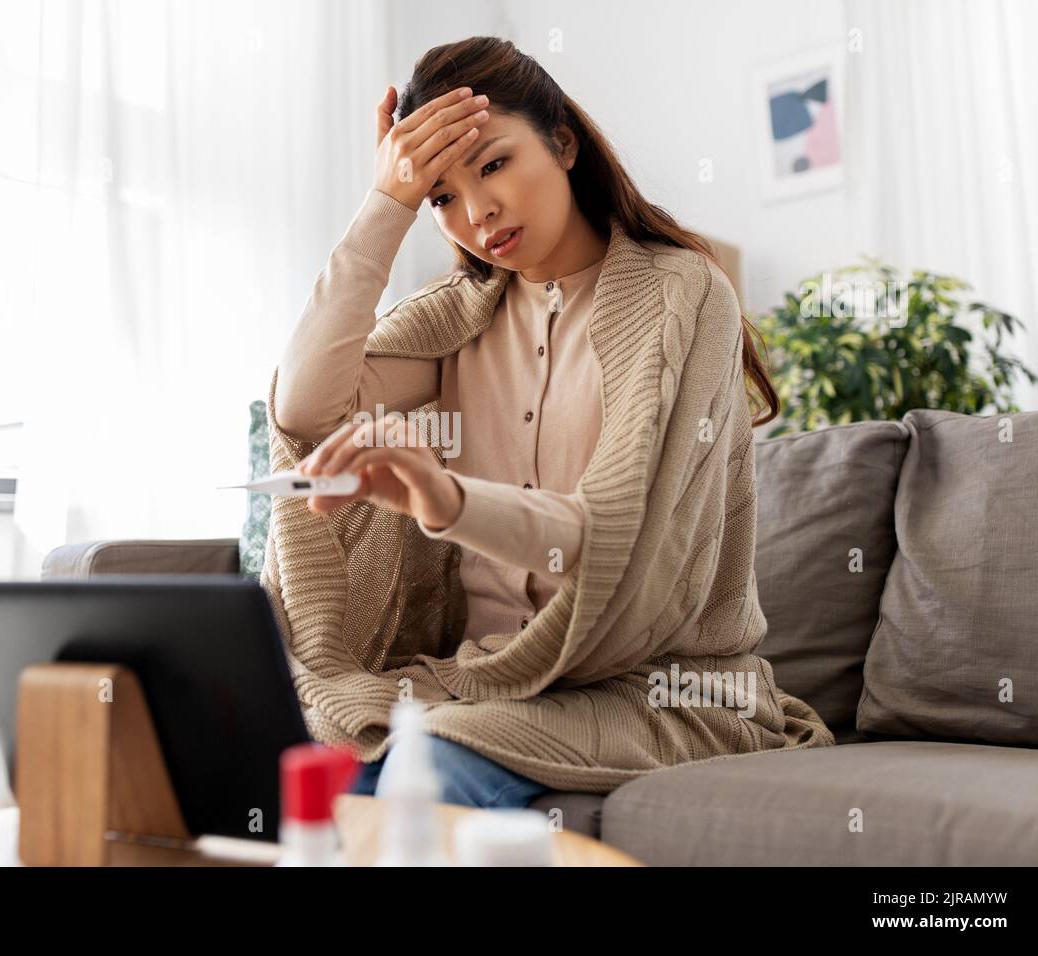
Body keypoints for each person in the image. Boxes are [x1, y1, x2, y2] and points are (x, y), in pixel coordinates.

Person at [270, 36, 828, 810]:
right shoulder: (455, 322)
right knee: (299, 763)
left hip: (657, 690)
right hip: (483, 680)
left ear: (563, 144)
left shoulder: (682, 295)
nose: (477, 212)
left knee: (420, 772)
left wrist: (449, 502)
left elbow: (622, 541)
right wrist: (384, 208)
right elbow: (303, 410)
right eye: (441, 197)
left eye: (494, 164)